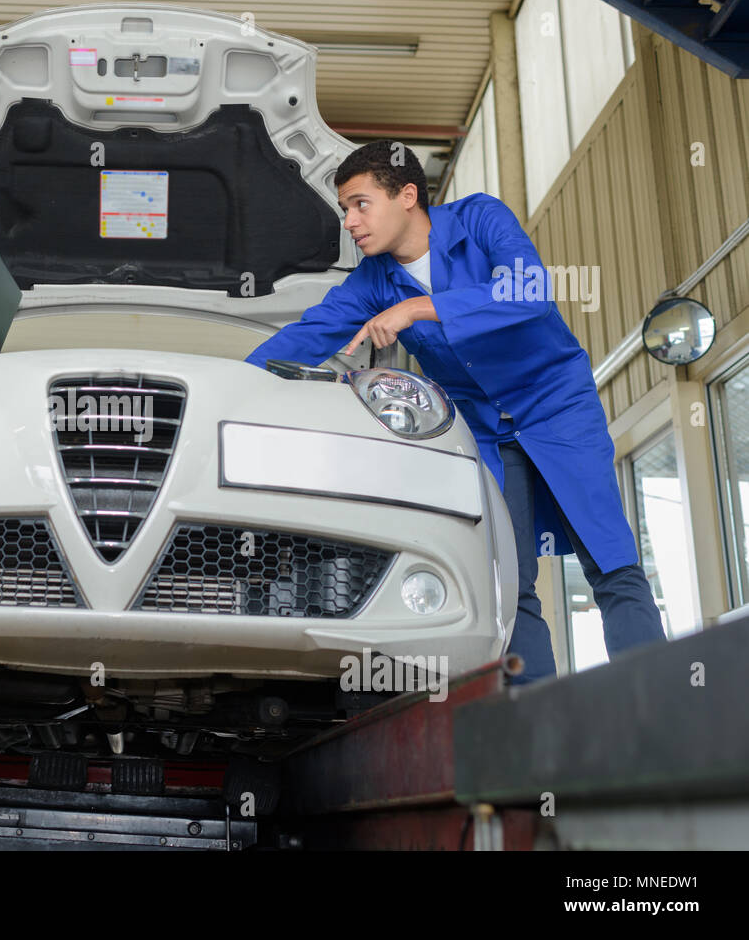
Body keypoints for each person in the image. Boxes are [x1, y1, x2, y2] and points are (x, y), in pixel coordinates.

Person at [246, 140, 666, 684]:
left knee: (611, 560)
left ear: (407, 196)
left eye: (359, 204)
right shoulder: (371, 280)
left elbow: (527, 292)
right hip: (483, 432)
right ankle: (538, 729)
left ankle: (661, 703)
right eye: (345, 209)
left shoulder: (481, 218)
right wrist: (238, 382)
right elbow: (307, 334)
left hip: (555, 406)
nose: (349, 221)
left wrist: (417, 308)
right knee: (507, 584)